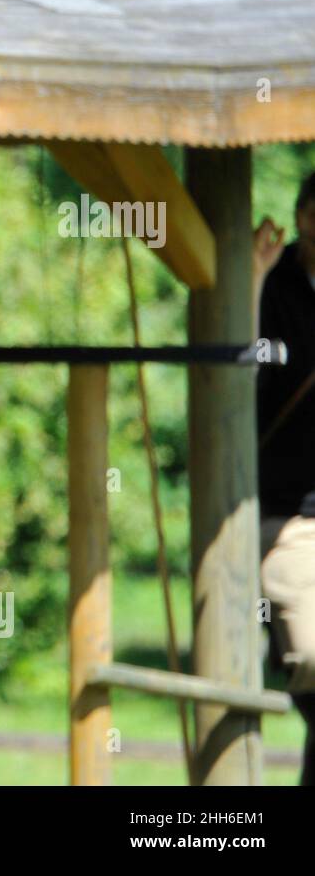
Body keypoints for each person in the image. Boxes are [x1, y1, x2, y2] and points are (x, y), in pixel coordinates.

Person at [254, 170, 315, 786]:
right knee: (311, 666)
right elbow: (238, 372)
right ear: (301, 218)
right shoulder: (271, 283)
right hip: (289, 514)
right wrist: (250, 276)